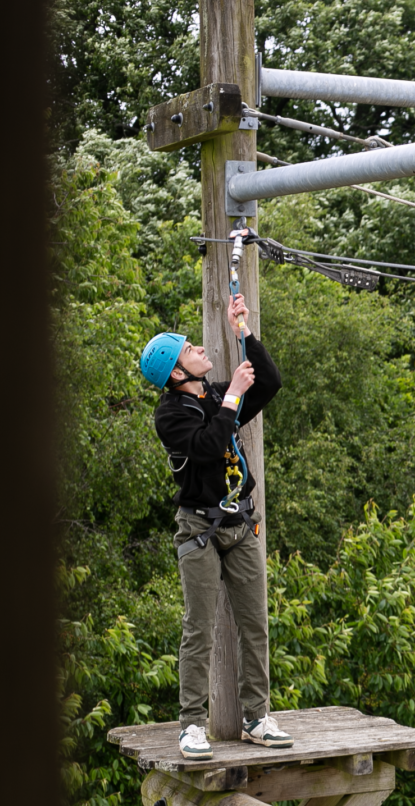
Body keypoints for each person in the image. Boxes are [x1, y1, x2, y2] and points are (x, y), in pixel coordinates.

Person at [139, 294, 292, 759]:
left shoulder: (209, 395)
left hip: (239, 523)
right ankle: (191, 725)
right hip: (199, 529)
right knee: (199, 629)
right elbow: (206, 446)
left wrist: (242, 330)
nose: (201, 350)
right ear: (177, 374)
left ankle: (256, 717)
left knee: (255, 623)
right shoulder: (170, 415)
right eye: (190, 351)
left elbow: (269, 382)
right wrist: (231, 397)